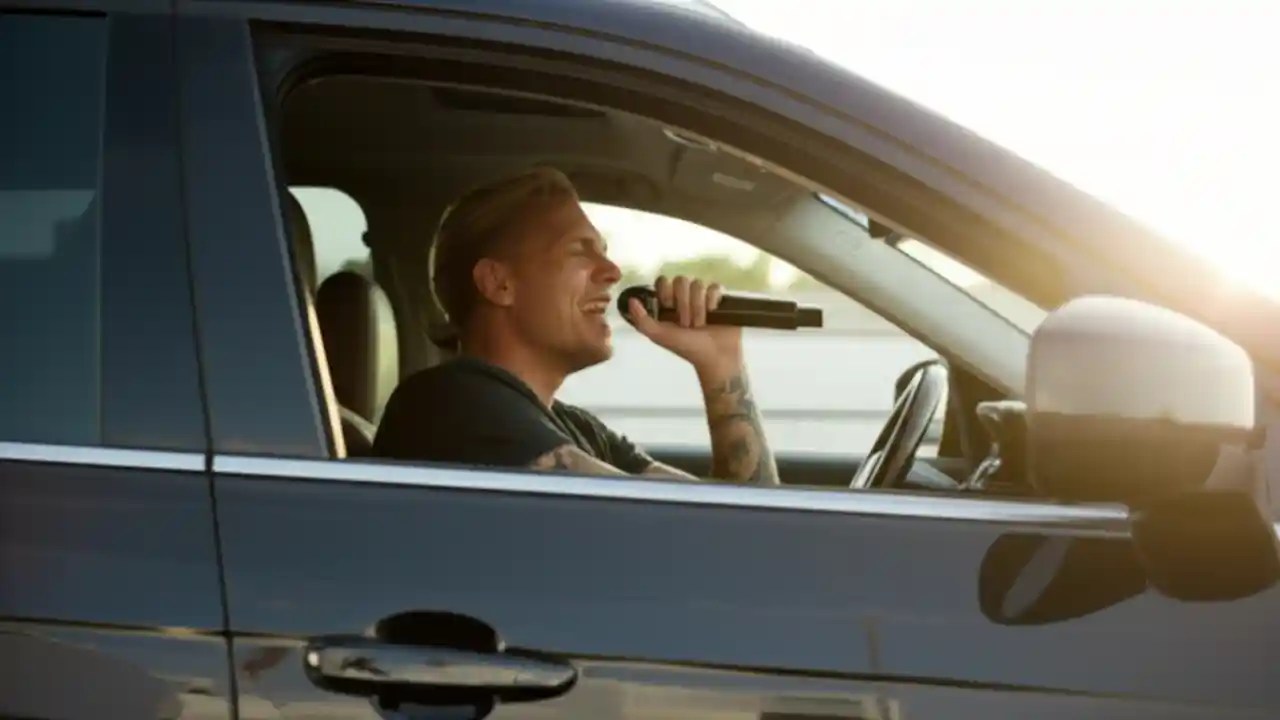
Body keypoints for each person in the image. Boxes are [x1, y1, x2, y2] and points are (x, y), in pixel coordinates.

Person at [373, 166, 779, 485]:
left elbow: (747, 530)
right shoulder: (450, 406)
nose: (612, 271)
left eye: (604, 252)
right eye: (579, 251)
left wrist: (721, 365)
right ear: (499, 283)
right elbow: (702, 533)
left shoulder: (577, 427)